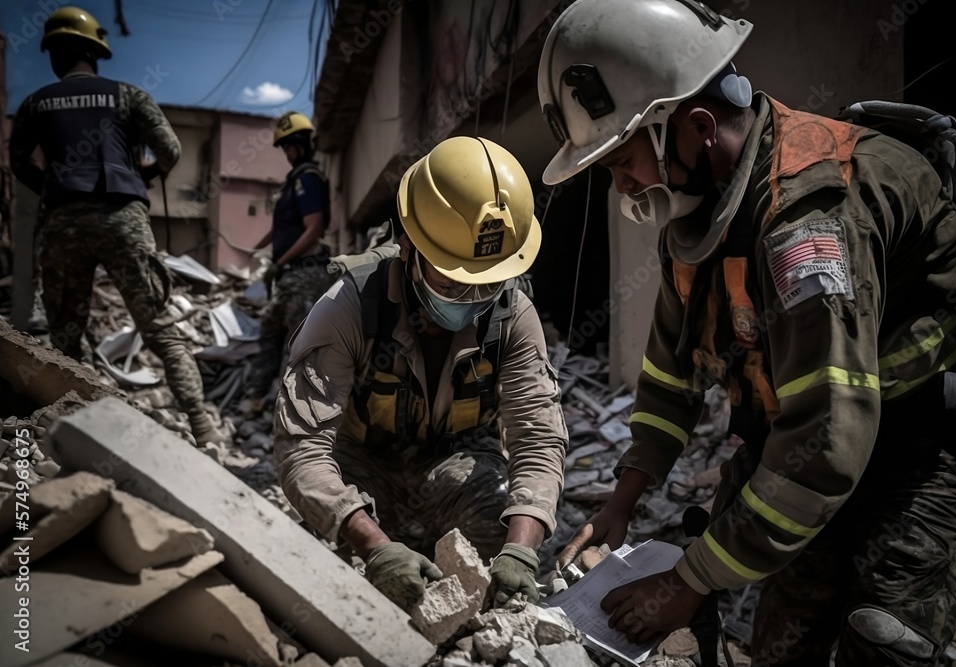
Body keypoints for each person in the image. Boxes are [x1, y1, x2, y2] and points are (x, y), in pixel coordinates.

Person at [537, 0, 956, 664]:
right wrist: (624, 497)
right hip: (806, 437)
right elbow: (671, 373)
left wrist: (687, 579)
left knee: (883, 639)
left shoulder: (807, 226)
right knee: (785, 640)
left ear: (694, 127)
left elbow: (826, 439)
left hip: (922, 444)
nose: (620, 186)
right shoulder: (696, 223)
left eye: (623, 161)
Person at [272, 136, 568, 611]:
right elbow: (302, 447)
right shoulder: (350, 304)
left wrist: (521, 547)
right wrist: (373, 545)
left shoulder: (514, 313)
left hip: (456, 463)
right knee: (330, 572)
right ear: (409, 246)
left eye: (487, 280)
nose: (472, 297)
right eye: (453, 279)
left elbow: (537, 438)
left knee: (498, 530)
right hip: (364, 466)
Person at [9, 6, 224, 448]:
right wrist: (138, 176)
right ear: (97, 54)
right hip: (123, 217)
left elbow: (17, 164)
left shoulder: (35, 103)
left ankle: (85, 422)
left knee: (67, 331)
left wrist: (53, 185)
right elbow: (169, 150)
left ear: (54, 56)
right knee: (160, 327)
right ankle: (203, 429)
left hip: (62, 221)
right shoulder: (128, 95)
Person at [242, 111, 335, 414]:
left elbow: (314, 227)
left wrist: (278, 262)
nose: (286, 153)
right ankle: (255, 401)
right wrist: (256, 250)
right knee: (269, 335)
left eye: (288, 146)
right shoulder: (293, 182)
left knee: (298, 346)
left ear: (300, 144)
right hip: (288, 276)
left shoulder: (308, 178)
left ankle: (298, 413)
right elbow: (283, 228)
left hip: (306, 275)